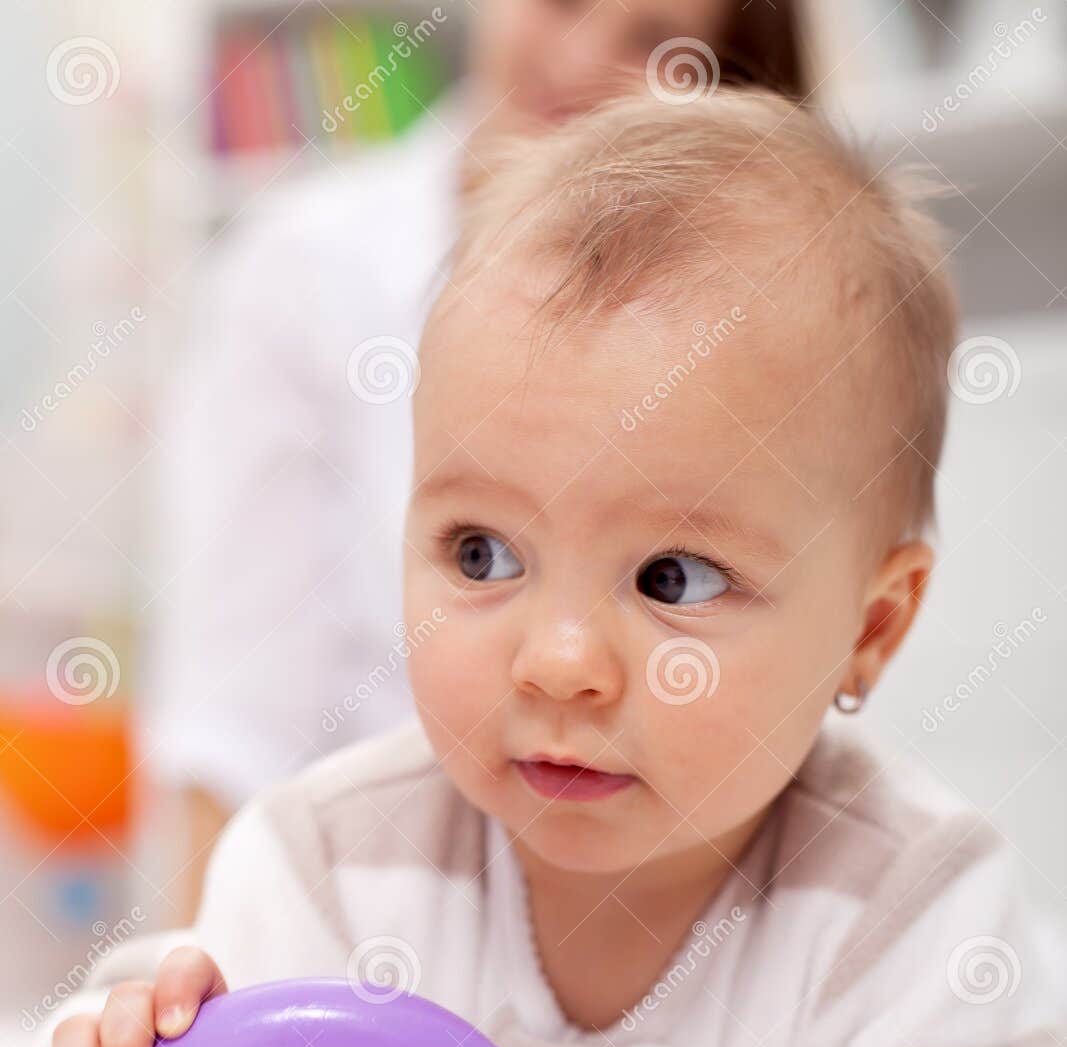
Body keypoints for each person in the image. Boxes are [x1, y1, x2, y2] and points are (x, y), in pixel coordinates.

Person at [17, 88, 1060, 1047]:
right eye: (480, 553)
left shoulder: (906, 901)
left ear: (868, 628)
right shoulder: (333, 859)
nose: (558, 660)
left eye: (671, 579)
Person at [147, 0, 810, 922]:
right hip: (361, 922)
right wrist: (211, 1004)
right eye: (564, 3)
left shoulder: (756, 318)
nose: (582, 60)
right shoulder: (304, 269)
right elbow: (234, 713)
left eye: (654, 39)